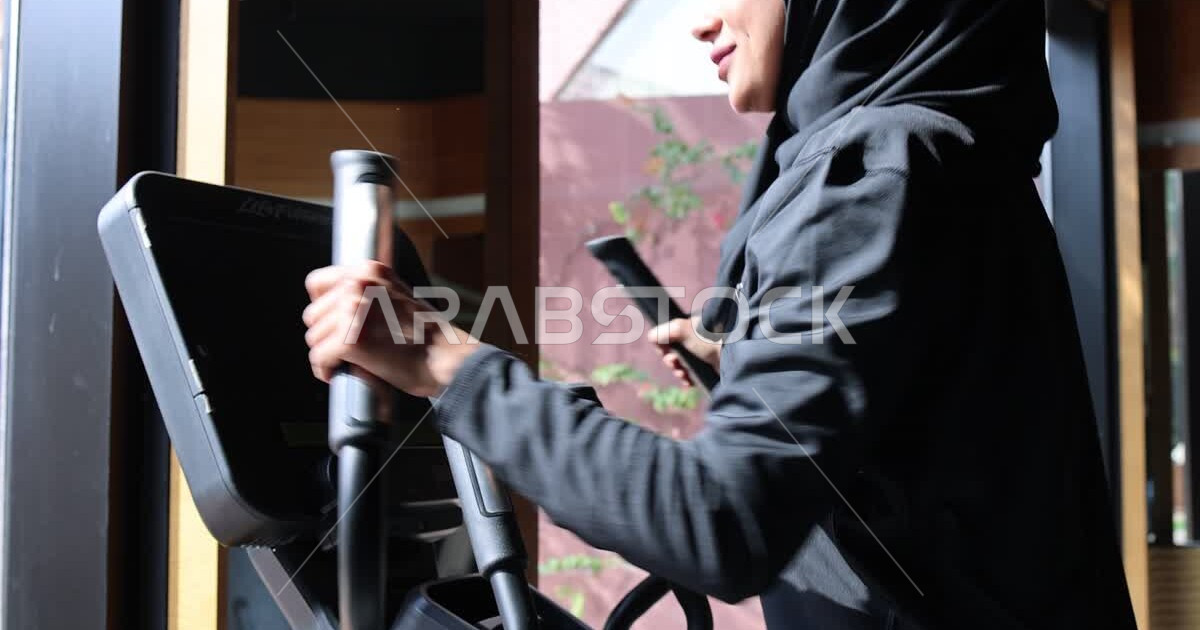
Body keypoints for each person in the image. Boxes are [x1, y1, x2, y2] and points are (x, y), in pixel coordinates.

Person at [302, 0, 1139, 627]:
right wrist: (760, 372)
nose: (701, 20)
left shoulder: (879, 172)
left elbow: (720, 524)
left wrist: (442, 363)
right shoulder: (958, 161)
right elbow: (932, 476)